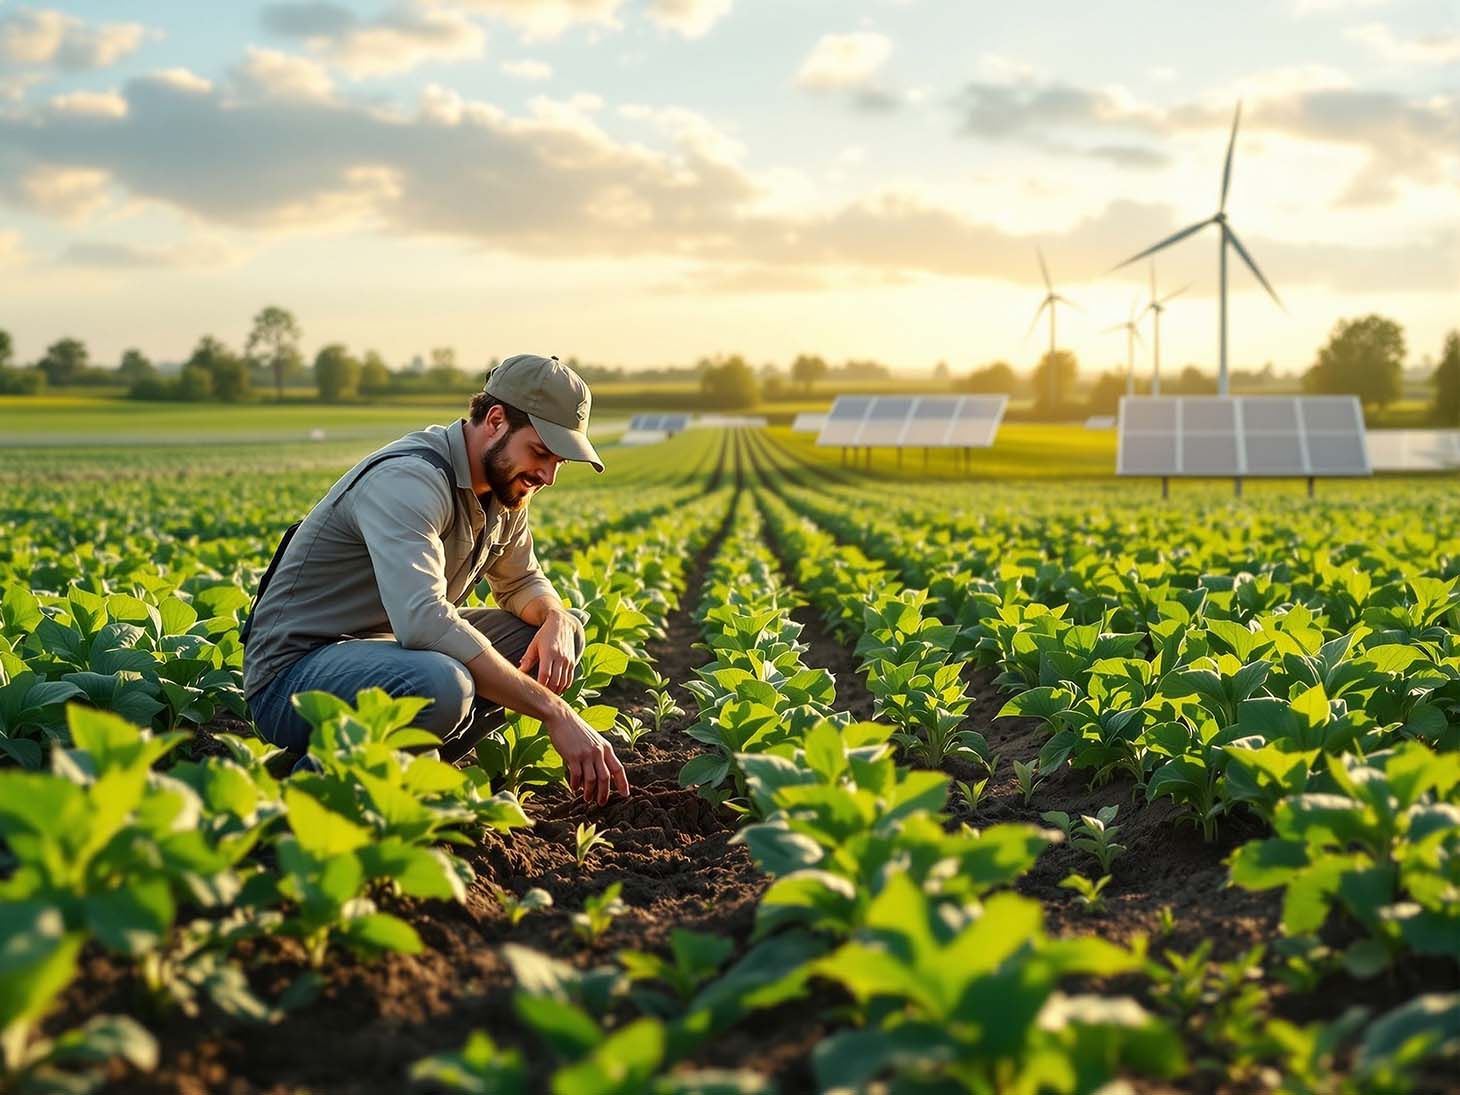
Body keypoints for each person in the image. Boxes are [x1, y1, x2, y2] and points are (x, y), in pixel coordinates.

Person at [242, 353, 630, 805]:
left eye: (559, 462)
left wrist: (557, 617)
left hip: (386, 655)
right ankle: (317, 793)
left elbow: (521, 581)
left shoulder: (504, 490)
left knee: (553, 636)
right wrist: (554, 711)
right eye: (541, 453)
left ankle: (392, 769)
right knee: (442, 682)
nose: (547, 476)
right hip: (293, 675)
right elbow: (424, 622)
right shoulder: (409, 480)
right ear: (496, 420)